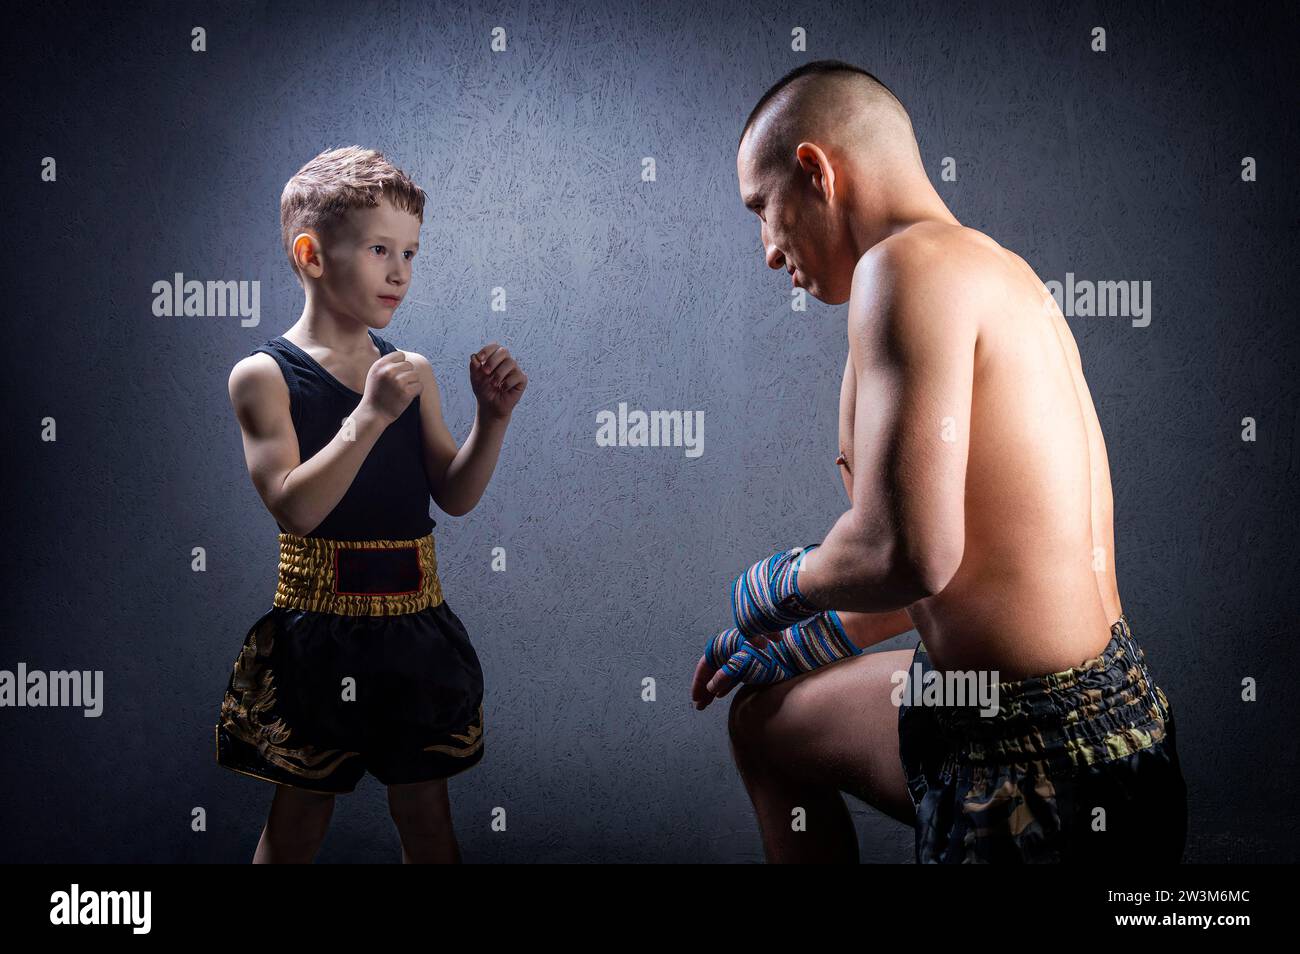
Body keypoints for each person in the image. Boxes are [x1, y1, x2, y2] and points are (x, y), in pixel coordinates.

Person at [690, 61, 1187, 863]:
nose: (767, 249)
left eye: (762, 207)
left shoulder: (904, 269)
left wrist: (765, 593)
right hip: (1123, 730)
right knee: (766, 721)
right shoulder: (1000, 273)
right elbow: (957, 570)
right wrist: (798, 646)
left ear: (815, 170)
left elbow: (906, 552)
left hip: (1037, 769)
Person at [214, 145, 527, 863]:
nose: (400, 272)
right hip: (319, 633)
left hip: (417, 626)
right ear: (312, 255)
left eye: (411, 253)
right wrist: (368, 417)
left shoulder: (409, 370)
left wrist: (493, 419)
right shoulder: (262, 376)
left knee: (427, 816)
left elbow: (454, 495)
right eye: (380, 249)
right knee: (297, 823)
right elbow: (295, 508)